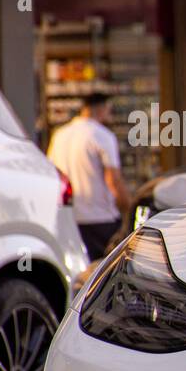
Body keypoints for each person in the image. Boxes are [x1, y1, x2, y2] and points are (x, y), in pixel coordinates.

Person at [47, 93, 131, 260]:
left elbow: (52, 174)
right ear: (101, 109)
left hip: (68, 219)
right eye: (109, 110)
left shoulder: (59, 135)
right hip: (100, 218)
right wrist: (128, 208)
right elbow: (113, 180)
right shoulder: (102, 135)